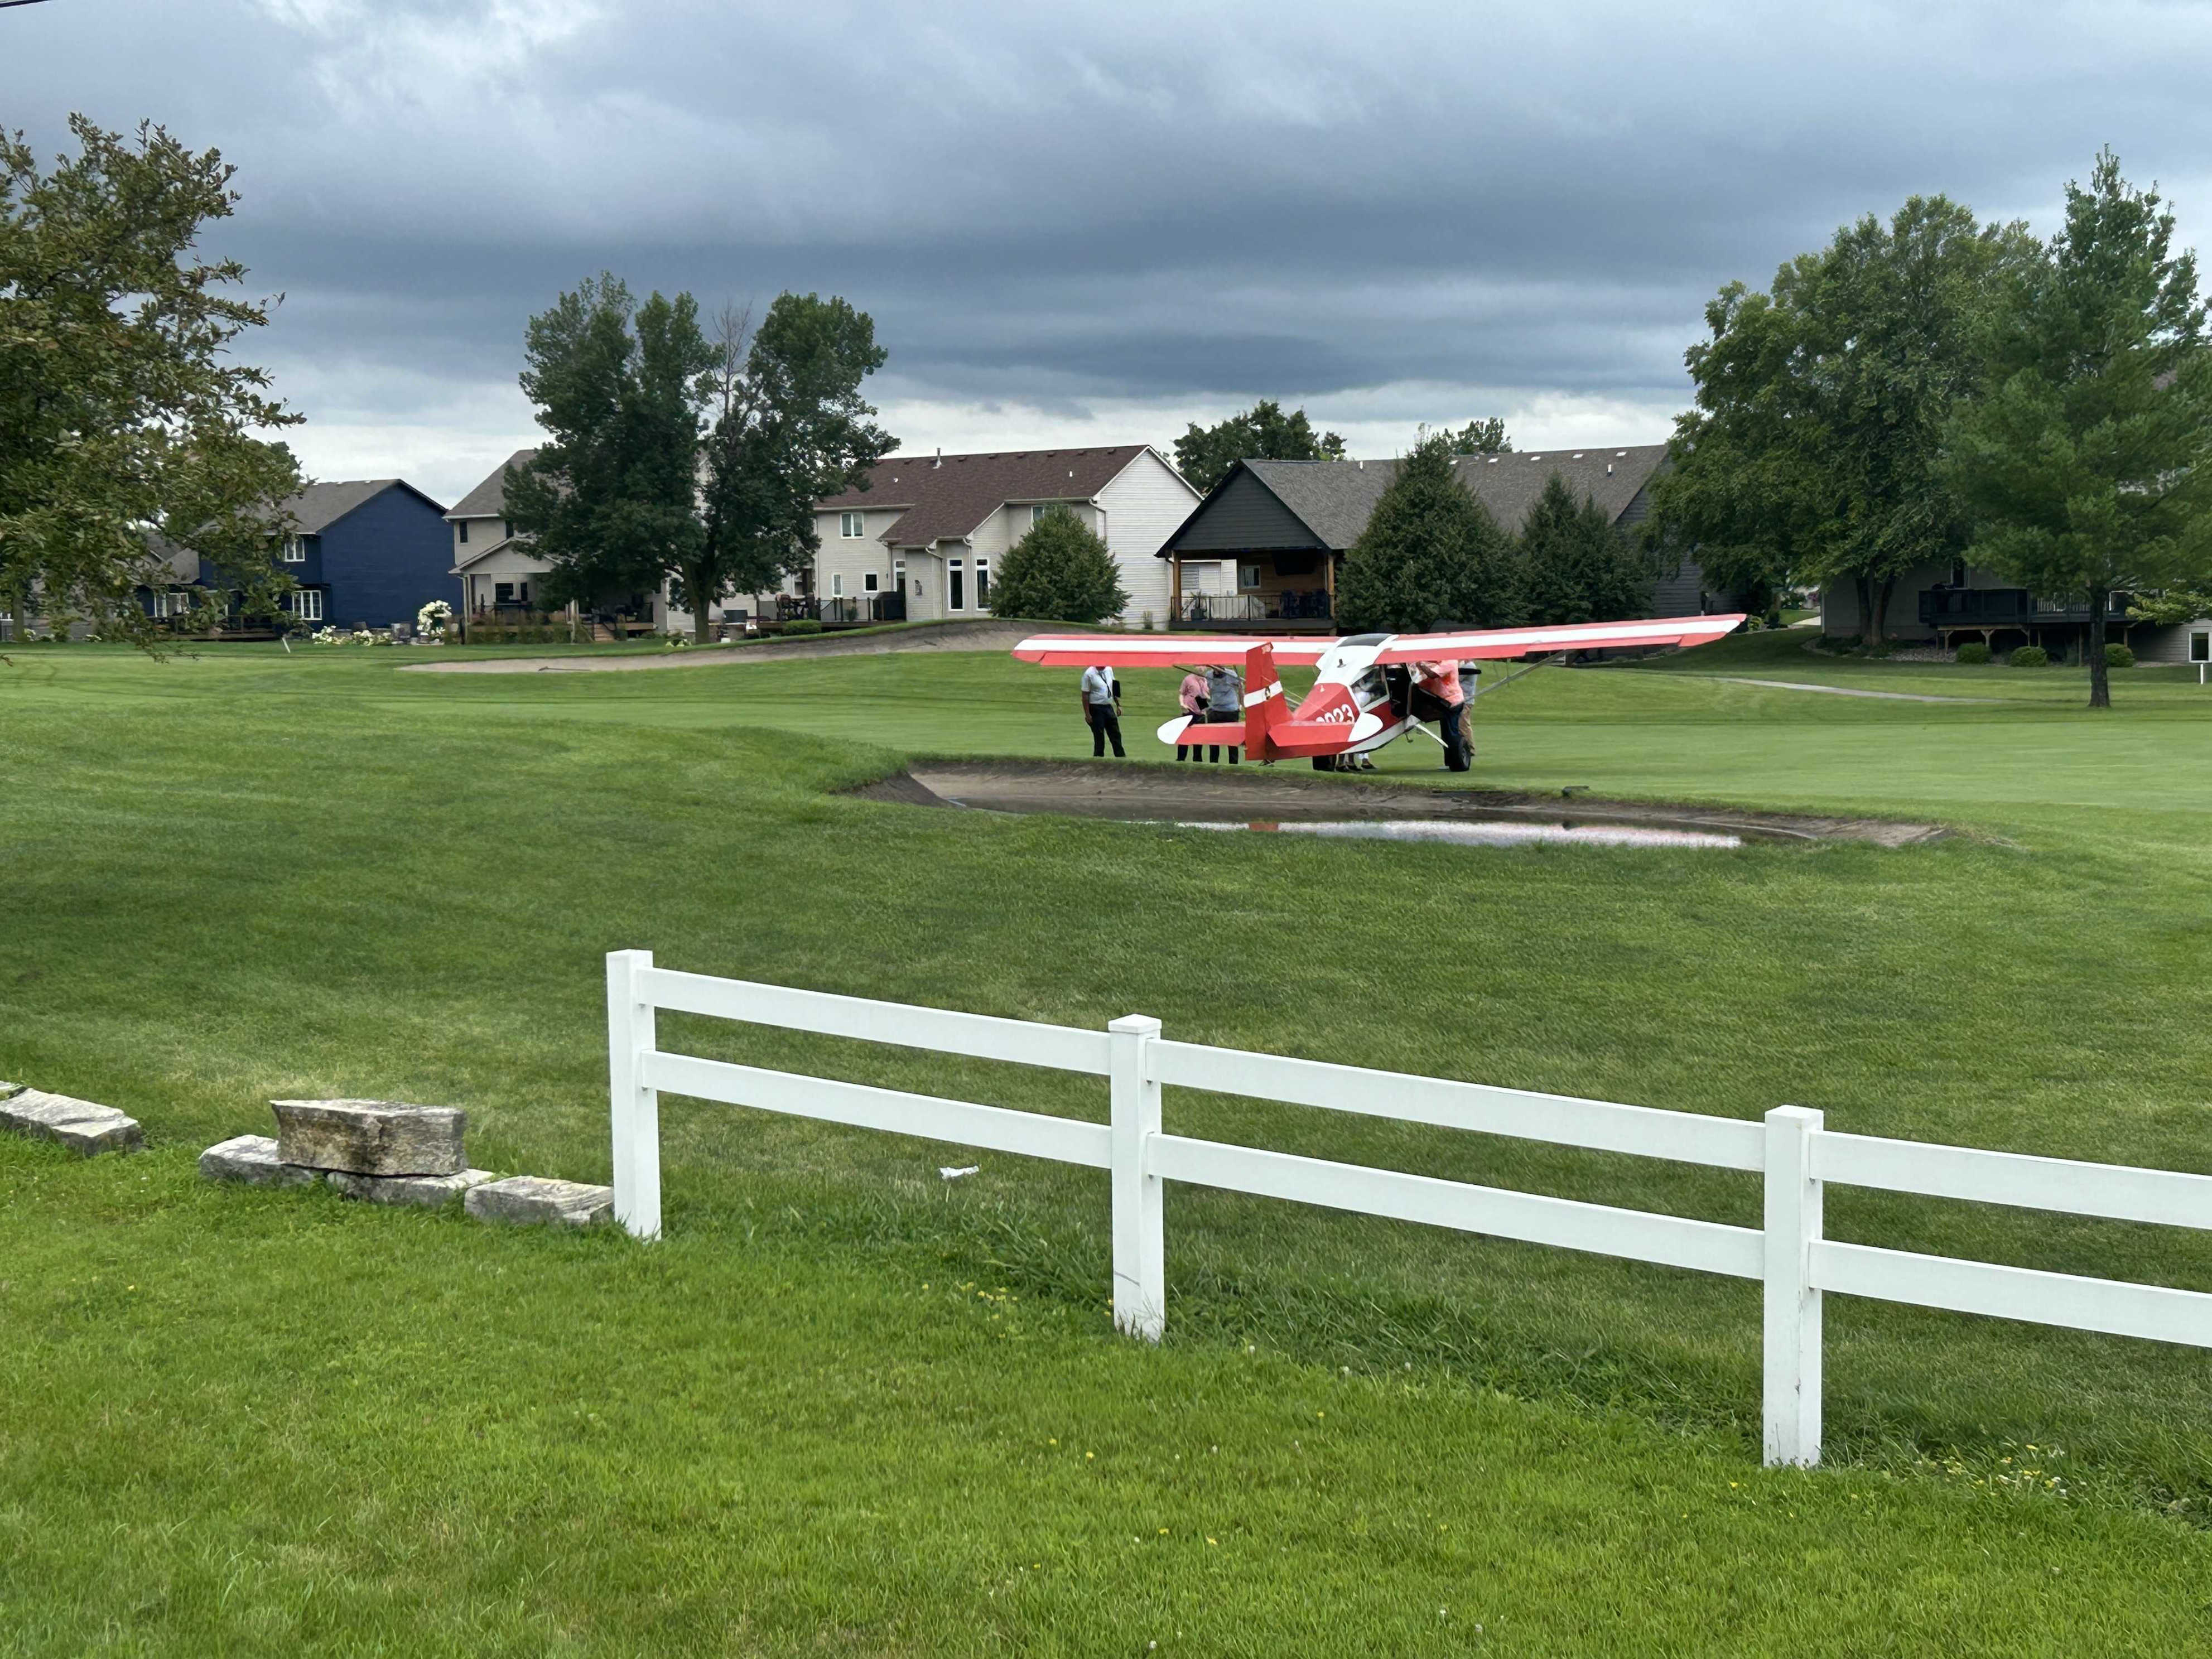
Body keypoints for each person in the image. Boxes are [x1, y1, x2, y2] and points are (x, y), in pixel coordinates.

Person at [1411, 659, 1472, 771]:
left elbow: (1432, 675)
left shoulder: (1449, 662)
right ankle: (1449, 763)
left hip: (1452, 703)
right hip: (1444, 704)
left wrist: (1420, 664)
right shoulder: (1440, 664)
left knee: (1452, 734)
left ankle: (1458, 763)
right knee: (1446, 735)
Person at [1080, 663, 1125, 758]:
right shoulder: (1089, 674)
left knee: (1116, 734)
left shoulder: (1109, 669)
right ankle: (1098, 760)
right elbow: (1085, 695)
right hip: (1095, 708)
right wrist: (1088, 714)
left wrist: (1118, 705)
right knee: (1099, 737)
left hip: (1108, 707)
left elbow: (1114, 686)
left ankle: (1121, 758)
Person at [1204, 663, 1242, 763]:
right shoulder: (1208, 675)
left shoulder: (1231, 674)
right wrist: (1206, 707)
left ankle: (1233, 765)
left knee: (1232, 741)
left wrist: (1241, 704)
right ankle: (1213, 764)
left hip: (1230, 711)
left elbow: (1240, 687)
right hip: (1215, 711)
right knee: (1213, 741)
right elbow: (1206, 691)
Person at [1175, 668, 1208, 761]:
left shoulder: (1206, 680)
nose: (1201, 668)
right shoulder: (1188, 679)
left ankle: (1197, 759)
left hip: (1201, 710)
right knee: (1185, 735)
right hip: (1189, 709)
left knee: (1198, 737)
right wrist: (1182, 704)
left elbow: (1206, 695)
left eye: (1202, 666)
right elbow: (1182, 693)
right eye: (1198, 666)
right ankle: (1181, 758)